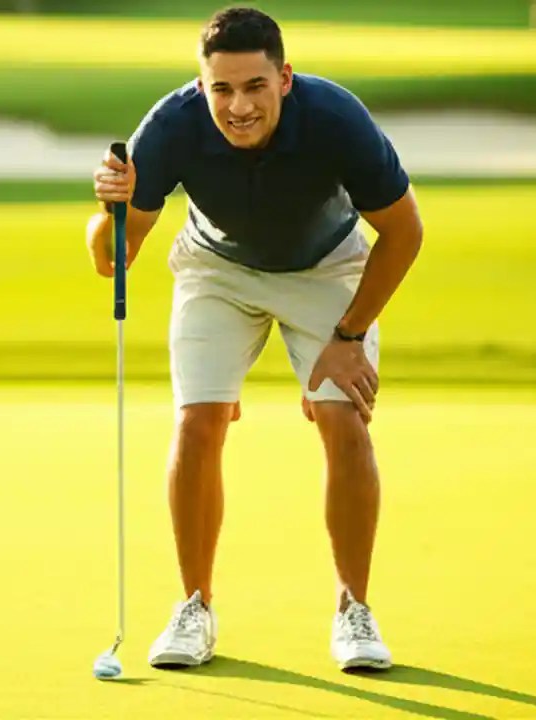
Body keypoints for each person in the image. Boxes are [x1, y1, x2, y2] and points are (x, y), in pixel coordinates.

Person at [84, 5, 424, 672]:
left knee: (343, 418)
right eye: (222, 89)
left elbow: (405, 231)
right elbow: (111, 259)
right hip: (217, 269)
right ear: (202, 84)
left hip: (326, 267)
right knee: (198, 421)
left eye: (254, 87)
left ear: (284, 78)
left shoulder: (336, 119)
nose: (238, 106)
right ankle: (194, 607)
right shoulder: (171, 126)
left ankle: (354, 610)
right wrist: (107, 211)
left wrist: (349, 335)